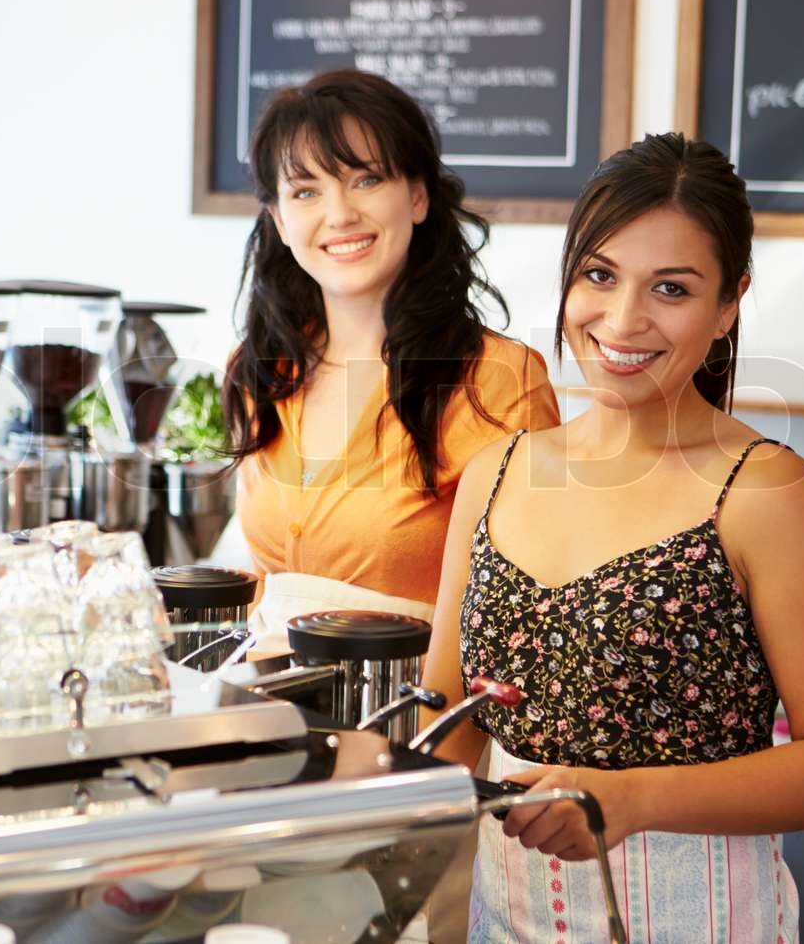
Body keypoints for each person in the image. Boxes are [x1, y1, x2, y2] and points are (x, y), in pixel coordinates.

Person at [423, 133, 804, 942]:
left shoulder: (766, 493)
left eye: (671, 288)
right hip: (499, 917)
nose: (623, 318)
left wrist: (633, 798)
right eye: (600, 274)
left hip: (695, 920)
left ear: (729, 304)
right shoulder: (496, 470)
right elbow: (450, 720)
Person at [223, 70, 560, 637]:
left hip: (412, 717)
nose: (339, 215)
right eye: (306, 191)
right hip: (269, 708)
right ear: (279, 221)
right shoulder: (258, 371)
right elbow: (263, 587)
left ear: (419, 196)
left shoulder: (499, 380)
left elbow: (525, 614)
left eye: (365, 179)